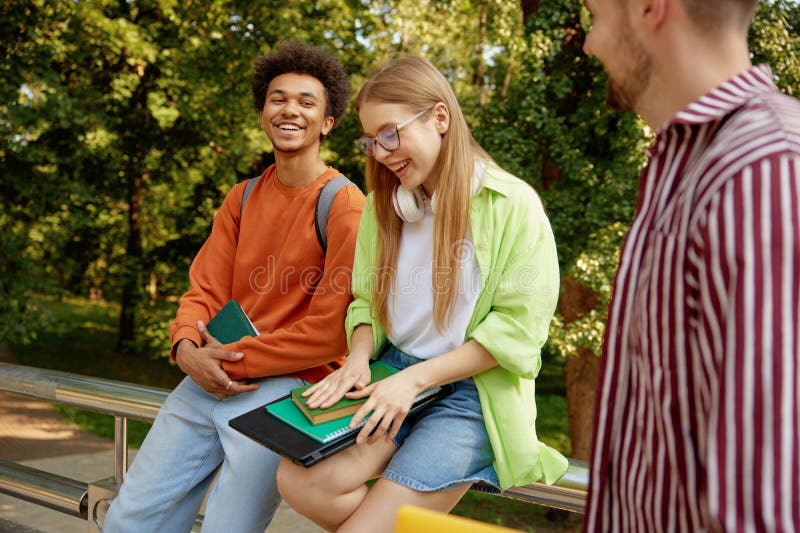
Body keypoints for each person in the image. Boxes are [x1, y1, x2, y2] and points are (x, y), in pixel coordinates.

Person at [276, 56, 568, 533]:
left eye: (390, 133)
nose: (381, 152)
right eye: (371, 141)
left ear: (439, 117)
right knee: (299, 480)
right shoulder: (383, 208)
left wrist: (414, 382)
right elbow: (365, 299)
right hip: (393, 374)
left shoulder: (515, 206)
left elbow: (517, 333)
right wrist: (358, 356)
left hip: (470, 396)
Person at [103, 41, 365, 532]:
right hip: (206, 375)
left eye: (307, 102)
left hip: (285, 392)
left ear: (327, 123)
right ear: (263, 113)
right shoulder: (242, 198)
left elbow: (331, 332)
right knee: (131, 519)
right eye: (278, 98)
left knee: (231, 528)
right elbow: (204, 288)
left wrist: (228, 358)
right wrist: (184, 347)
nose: (290, 110)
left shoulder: (345, 205)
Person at [581, 0, 800, 530]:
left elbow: (764, 509)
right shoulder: (693, 168)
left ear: (650, 8)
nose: (589, 44)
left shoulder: (762, 171)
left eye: (594, 16)